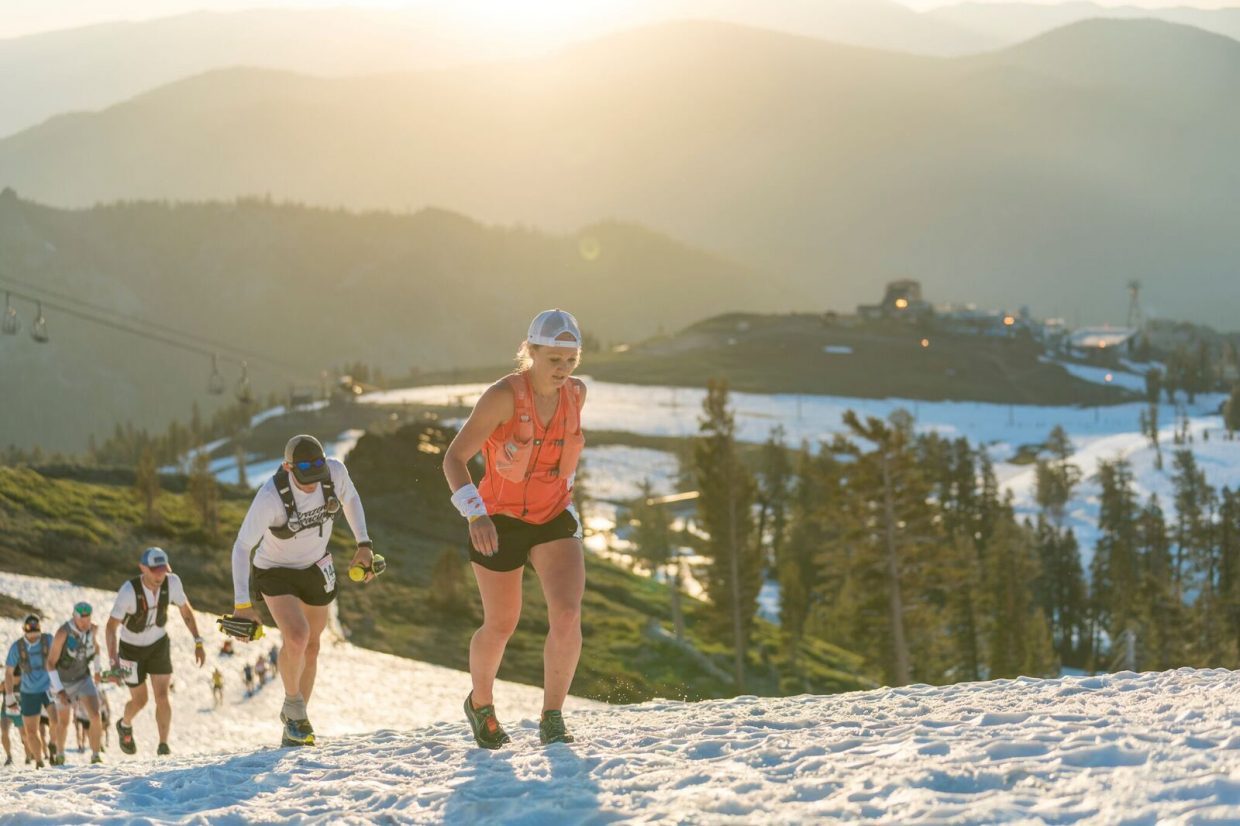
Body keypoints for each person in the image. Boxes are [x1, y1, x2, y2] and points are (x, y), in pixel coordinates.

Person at [443, 308, 587, 748]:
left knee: (566, 613)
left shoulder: (576, 395)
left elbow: (566, 457)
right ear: (531, 352)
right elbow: (454, 459)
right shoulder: (502, 396)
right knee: (502, 623)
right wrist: (476, 514)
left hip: (552, 516)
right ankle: (481, 704)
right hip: (498, 518)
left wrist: (568, 503)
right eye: (553, 360)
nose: (562, 370)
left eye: (570, 360)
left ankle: (552, 716)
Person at [228, 434, 375, 747]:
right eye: (303, 478)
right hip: (275, 570)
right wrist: (243, 604)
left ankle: (296, 724)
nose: (311, 485)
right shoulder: (270, 496)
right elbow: (242, 547)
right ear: (287, 467)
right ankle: (293, 708)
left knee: (312, 646)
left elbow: (351, 498)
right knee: (296, 636)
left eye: (316, 477)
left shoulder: (334, 472)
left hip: (316, 565)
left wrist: (364, 543)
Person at [105, 547, 206, 756]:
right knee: (140, 700)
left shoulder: (172, 582)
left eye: (163, 570)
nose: (160, 575)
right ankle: (124, 724)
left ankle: (163, 745)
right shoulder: (129, 591)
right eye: (155, 570)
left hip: (158, 644)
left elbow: (186, 611)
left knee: (162, 695)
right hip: (130, 650)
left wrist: (198, 641)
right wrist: (114, 663)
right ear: (143, 568)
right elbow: (110, 627)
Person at [48, 601, 105, 764]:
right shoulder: (63, 632)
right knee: (64, 721)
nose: (85, 623)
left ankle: (95, 755)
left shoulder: (92, 629)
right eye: (82, 619)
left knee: (95, 715)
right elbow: (50, 663)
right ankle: (60, 753)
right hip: (63, 682)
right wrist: (59, 690)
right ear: (74, 617)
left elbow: (96, 648)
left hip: (83, 679)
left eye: (88, 619)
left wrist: (97, 670)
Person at [4, 614, 60, 768]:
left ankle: (53, 744)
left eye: (37, 634)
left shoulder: (48, 640)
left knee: (55, 719)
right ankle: (39, 761)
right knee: (30, 731)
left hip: (48, 688)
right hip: (28, 692)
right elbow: (8, 672)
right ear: (25, 631)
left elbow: (60, 658)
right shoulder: (17, 647)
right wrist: (9, 696)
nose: (34, 638)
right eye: (31, 634)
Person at [1, 675, 27, 767]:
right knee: (4, 732)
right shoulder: (6, 682)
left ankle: (28, 756)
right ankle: (9, 756)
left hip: (20, 712)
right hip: (6, 712)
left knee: (25, 736)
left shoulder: (25, 682)